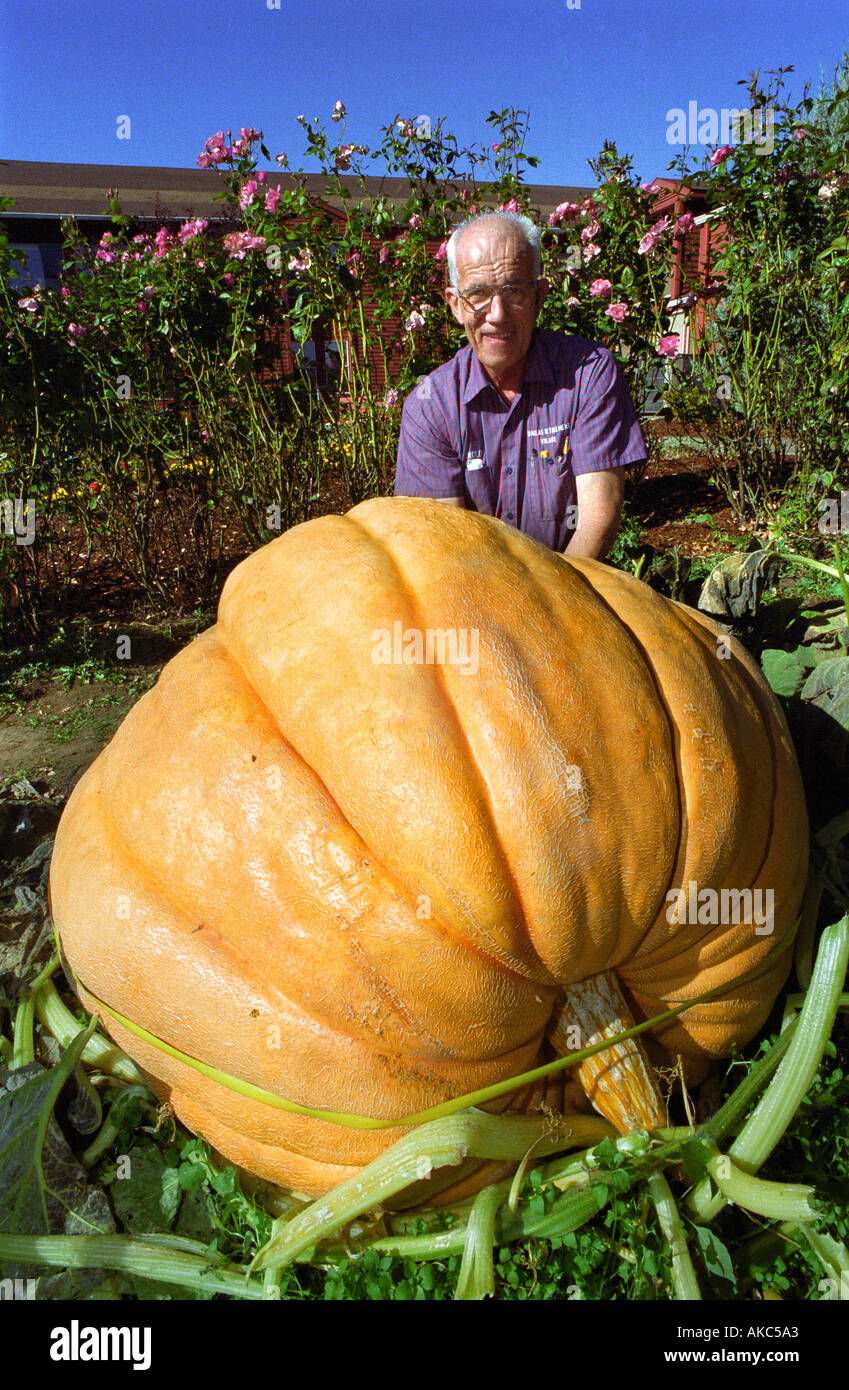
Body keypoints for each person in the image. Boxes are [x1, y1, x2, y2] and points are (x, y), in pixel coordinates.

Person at [393, 210, 647, 559]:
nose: (497, 314)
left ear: (540, 296)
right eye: (478, 294)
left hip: (572, 586)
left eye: (514, 291)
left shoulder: (589, 373)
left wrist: (551, 607)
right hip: (475, 593)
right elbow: (445, 548)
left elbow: (597, 520)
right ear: (455, 304)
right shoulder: (429, 407)